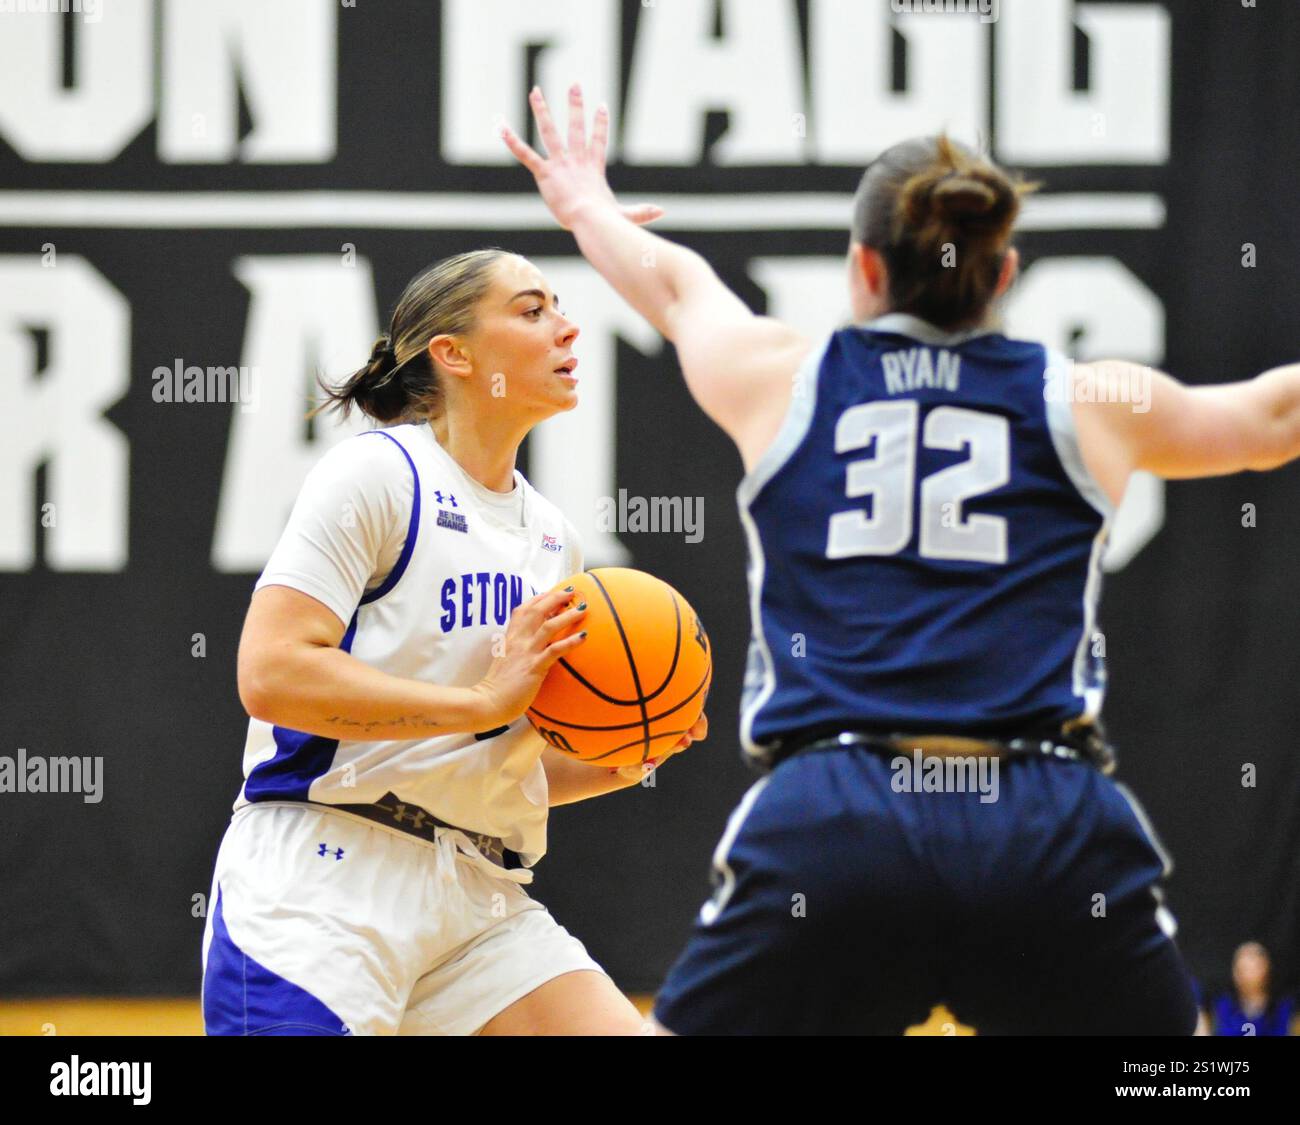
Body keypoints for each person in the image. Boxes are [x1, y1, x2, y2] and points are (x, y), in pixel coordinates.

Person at [502, 83, 1300, 1034]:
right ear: (1003, 276)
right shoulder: (1086, 399)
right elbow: (1269, 417)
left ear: (862, 267)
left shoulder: (784, 381)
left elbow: (675, 287)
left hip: (839, 821)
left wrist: (586, 201)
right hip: (1043, 823)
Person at [200, 246, 706, 1036]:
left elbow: (502, 759)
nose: (567, 327)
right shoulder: (374, 476)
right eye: (533, 309)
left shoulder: (552, 539)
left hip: (477, 895)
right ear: (454, 352)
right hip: (327, 877)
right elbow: (271, 673)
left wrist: (638, 745)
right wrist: (477, 700)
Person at [1210, 942, 1297, 1036]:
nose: (1244, 976)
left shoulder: (1284, 1007)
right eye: (1241, 969)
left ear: (1266, 970)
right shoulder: (1221, 1006)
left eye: (1251, 969)